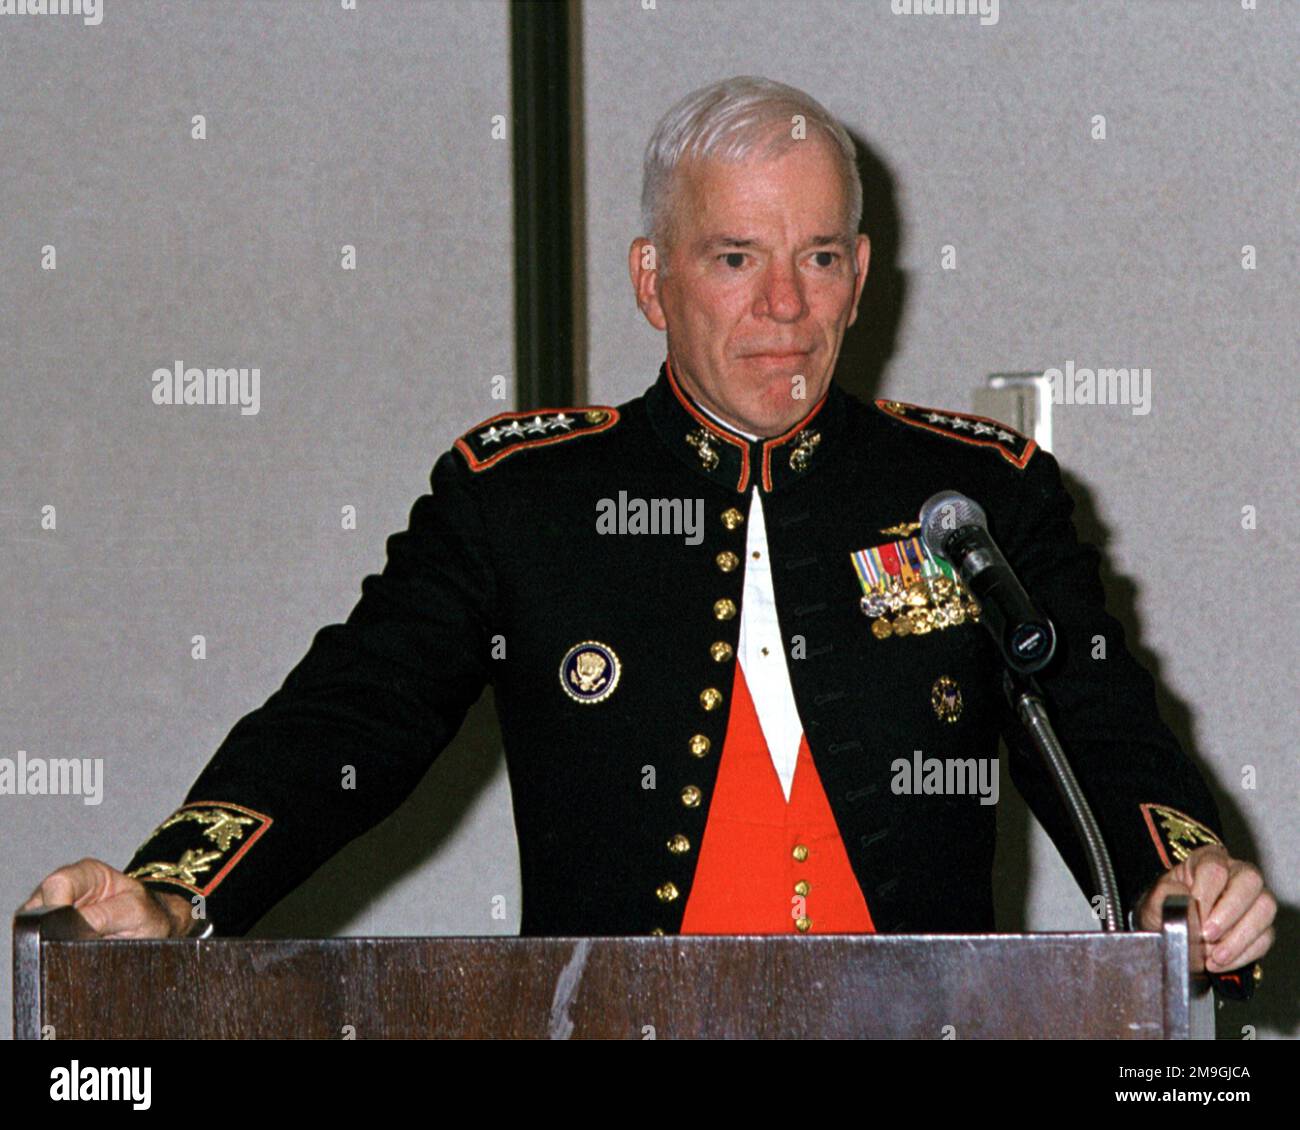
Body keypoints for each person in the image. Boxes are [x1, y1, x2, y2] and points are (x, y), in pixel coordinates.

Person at [22, 77, 1273, 996]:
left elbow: (1102, 724)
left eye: (818, 256)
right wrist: (179, 888)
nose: (784, 306)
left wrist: (1187, 879)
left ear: (861, 271)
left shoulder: (977, 489)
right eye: (734, 257)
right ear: (648, 279)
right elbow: (348, 717)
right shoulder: (521, 494)